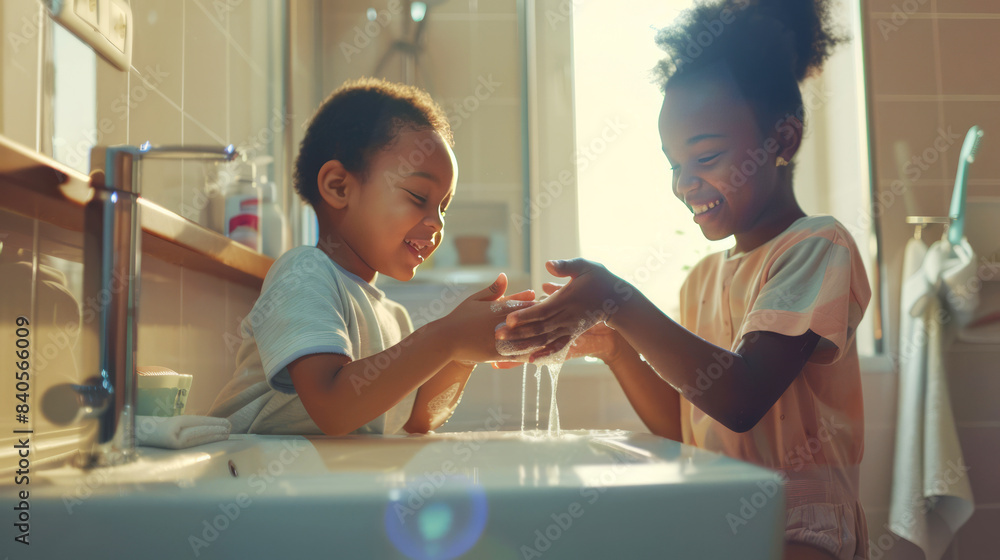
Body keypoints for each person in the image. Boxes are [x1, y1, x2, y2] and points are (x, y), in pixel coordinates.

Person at [495, 1, 870, 559]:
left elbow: (741, 398)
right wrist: (618, 350)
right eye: (673, 164)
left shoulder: (815, 248)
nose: (683, 184)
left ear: (783, 142)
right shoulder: (700, 280)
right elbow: (691, 428)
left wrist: (616, 300)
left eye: (707, 156)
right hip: (721, 514)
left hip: (801, 524)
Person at [209, 78, 532, 436]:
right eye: (417, 196)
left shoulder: (394, 317)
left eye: (443, 207)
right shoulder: (303, 273)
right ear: (338, 186)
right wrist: (448, 337)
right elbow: (333, 407)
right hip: (245, 476)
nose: (437, 223)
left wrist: (466, 352)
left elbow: (417, 419)